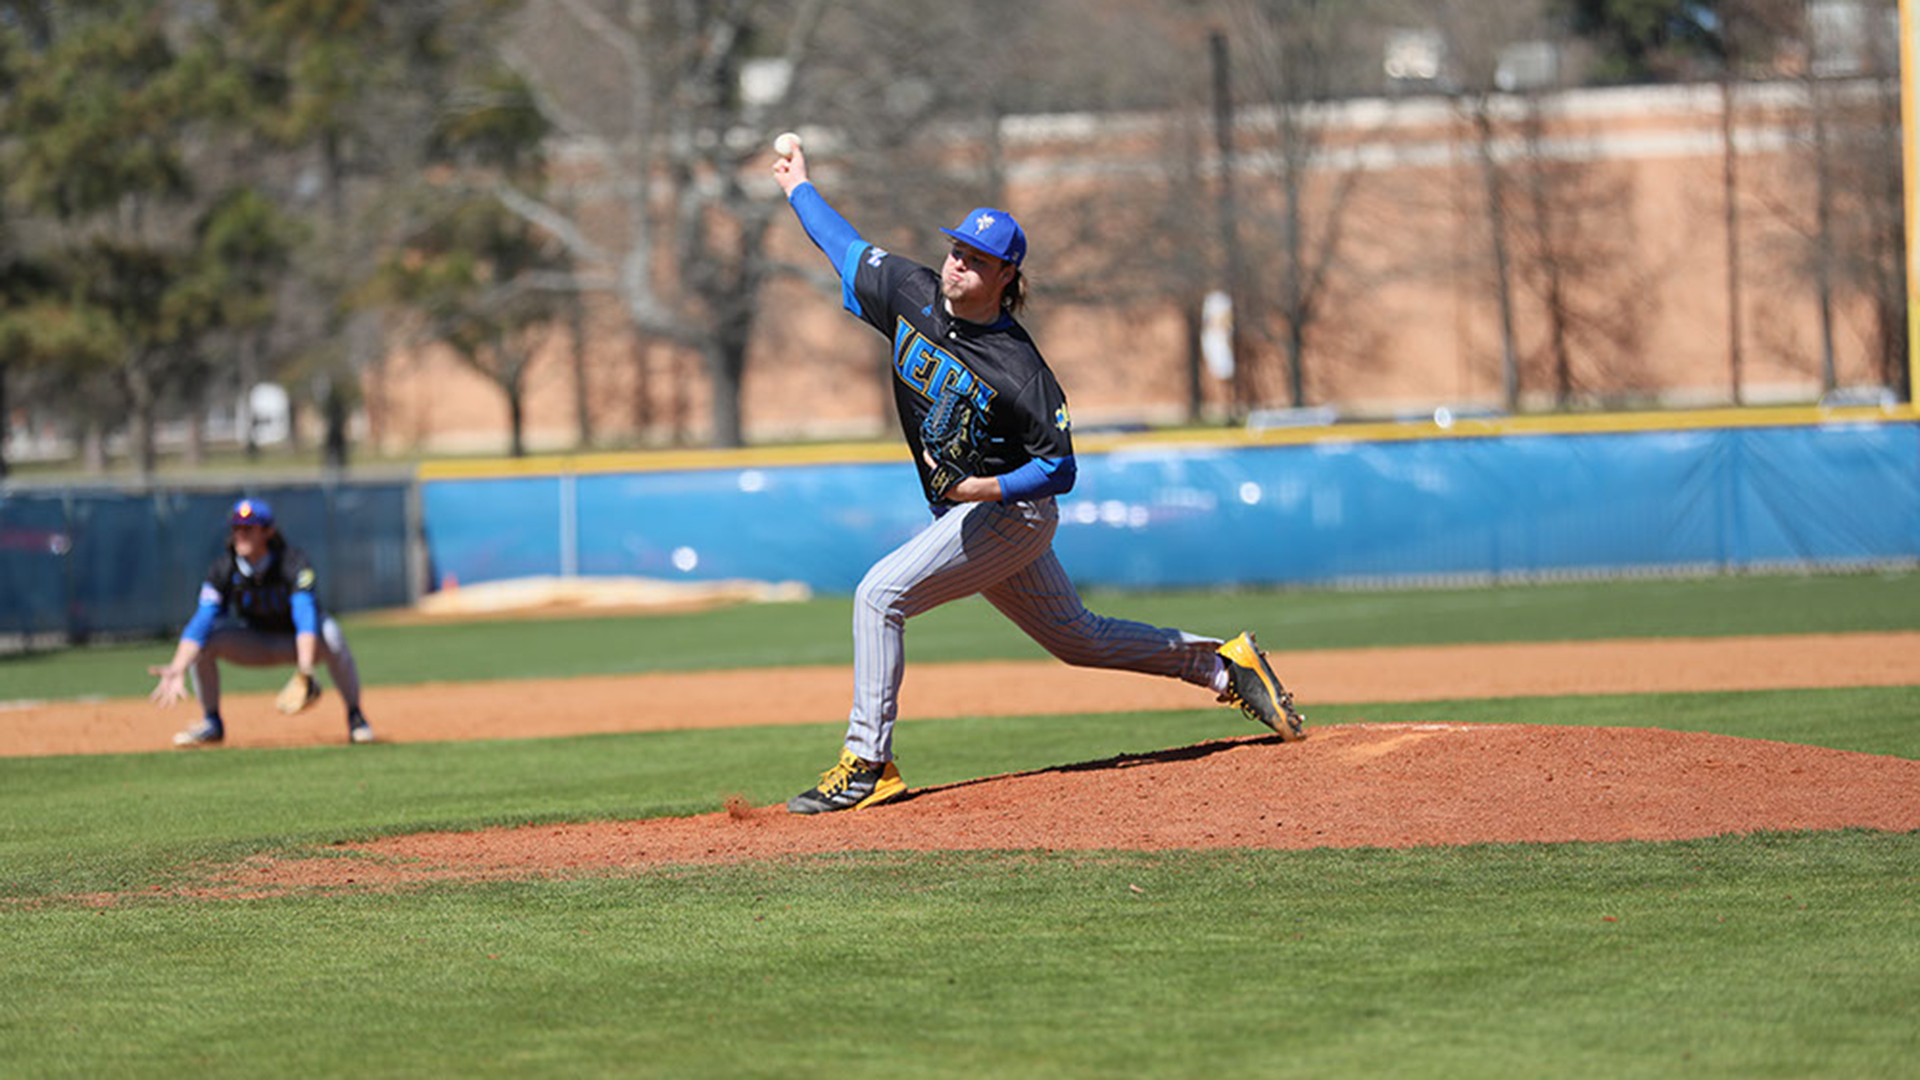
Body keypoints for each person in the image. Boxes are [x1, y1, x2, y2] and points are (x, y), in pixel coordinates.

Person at [771, 143, 1305, 815]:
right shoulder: (910, 292)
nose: (957, 263)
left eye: (975, 259)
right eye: (956, 250)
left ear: (1004, 277)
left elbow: (1060, 467)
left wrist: (980, 491)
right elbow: (843, 245)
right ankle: (1223, 666)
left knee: (880, 596)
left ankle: (868, 763)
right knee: (1078, 639)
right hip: (972, 519)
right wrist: (799, 189)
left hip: (1009, 515)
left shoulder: (1019, 368)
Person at [148, 497, 375, 747]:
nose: (240, 535)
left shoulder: (292, 562)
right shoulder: (224, 569)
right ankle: (212, 722)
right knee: (206, 642)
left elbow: (305, 615)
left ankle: (356, 717)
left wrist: (306, 668)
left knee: (332, 634)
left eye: (249, 528)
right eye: (236, 528)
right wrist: (178, 666)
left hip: (297, 643)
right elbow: (203, 618)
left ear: (268, 531)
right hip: (256, 642)